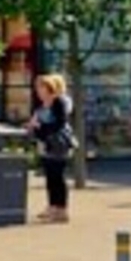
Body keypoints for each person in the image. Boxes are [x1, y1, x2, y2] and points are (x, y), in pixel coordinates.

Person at [29, 73, 75, 223]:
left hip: (59, 144)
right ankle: (52, 206)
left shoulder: (58, 102)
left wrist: (41, 128)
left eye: (41, 87)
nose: (38, 91)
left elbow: (59, 123)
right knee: (49, 177)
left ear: (49, 88)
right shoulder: (40, 106)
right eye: (38, 88)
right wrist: (35, 128)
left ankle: (62, 209)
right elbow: (35, 124)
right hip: (46, 144)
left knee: (58, 176)